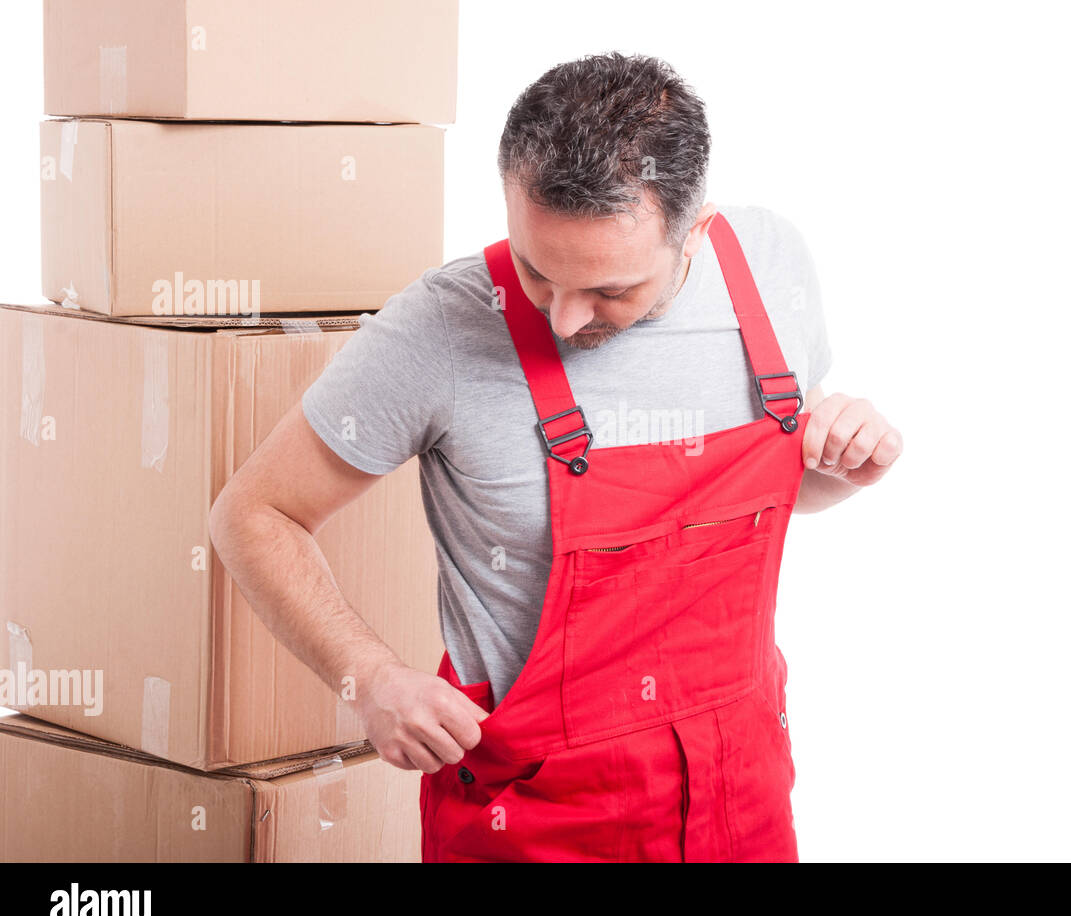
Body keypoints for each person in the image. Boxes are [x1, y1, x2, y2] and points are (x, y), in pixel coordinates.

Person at [208, 51, 902, 862]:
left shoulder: (770, 269)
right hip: (539, 821)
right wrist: (372, 677)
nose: (566, 320)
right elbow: (251, 513)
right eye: (538, 270)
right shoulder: (442, 329)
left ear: (696, 233)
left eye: (610, 290)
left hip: (742, 802)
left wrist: (842, 461)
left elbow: (773, 496)